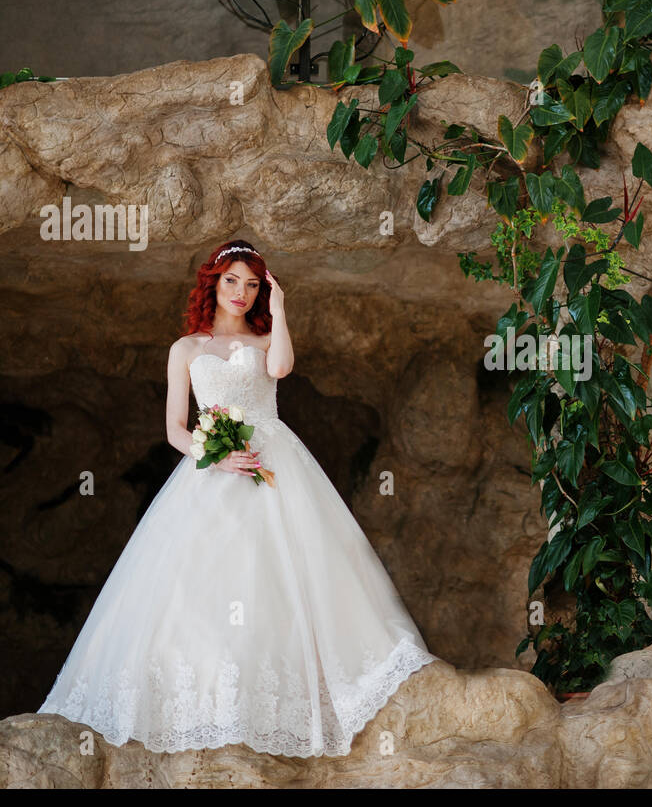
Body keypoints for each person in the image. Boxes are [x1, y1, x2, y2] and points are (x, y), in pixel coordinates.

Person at [38, 241, 437, 757]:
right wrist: (214, 457)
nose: (241, 293)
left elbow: (282, 369)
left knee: (291, 573)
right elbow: (175, 429)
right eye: (232, 281)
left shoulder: (268, 336)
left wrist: (282, 309)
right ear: (213, 283)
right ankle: (211, 707)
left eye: (252, 285)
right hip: (214, 468)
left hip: (274, 461)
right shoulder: (185, 349)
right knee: (196, 586)